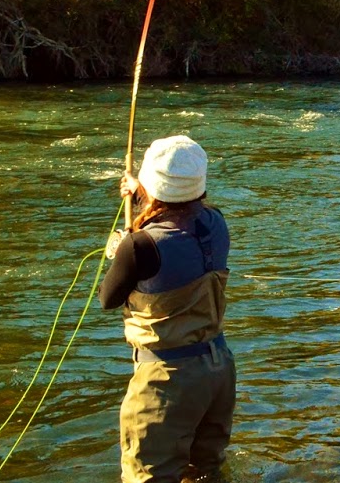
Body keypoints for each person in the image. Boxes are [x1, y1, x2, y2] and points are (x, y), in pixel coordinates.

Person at [100, 135, 234, 483]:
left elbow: (108, 298)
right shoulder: (217, 223)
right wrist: (141, 192)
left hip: (167, 380)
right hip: (218, 368)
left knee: (149, 476)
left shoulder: (139, 246)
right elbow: (182, 223)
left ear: (150, 183)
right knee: (204, 473)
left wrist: (119, 247)